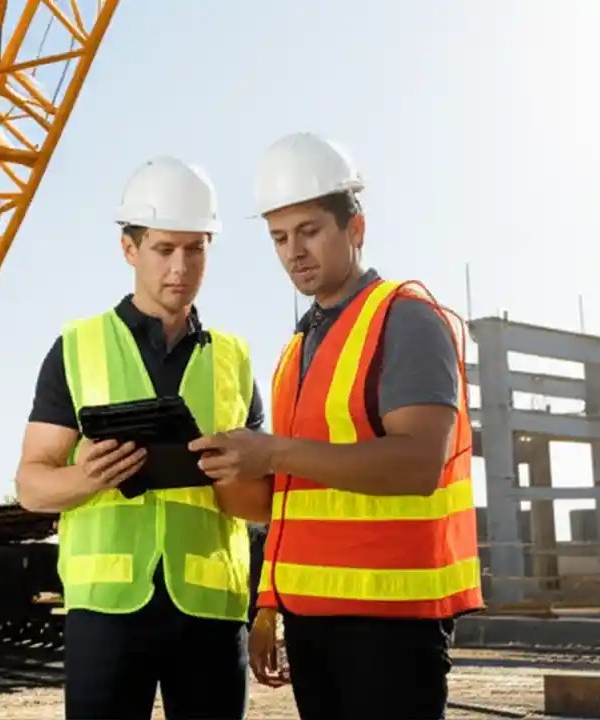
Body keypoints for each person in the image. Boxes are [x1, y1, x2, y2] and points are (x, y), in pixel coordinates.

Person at [189, 132, 485, 719]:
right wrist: (268, 604)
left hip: (390, 626)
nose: (294, 251)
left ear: (355, 228)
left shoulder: (407, 318)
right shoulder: (295, 351)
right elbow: (296, 501)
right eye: (279, 237)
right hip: (310, 621)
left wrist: (270, 452)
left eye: (309, 231)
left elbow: (417, 465)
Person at [14, 155, 273, 720]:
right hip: (107, 610)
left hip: (210, 610)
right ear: (129, 249)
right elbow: (32, 485)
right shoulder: (77, 349)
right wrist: (87, 477)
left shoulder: (234, 360)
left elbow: (261, 505)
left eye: (195, 248)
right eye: (163, 249)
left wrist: (233, 476)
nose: (180, 266)